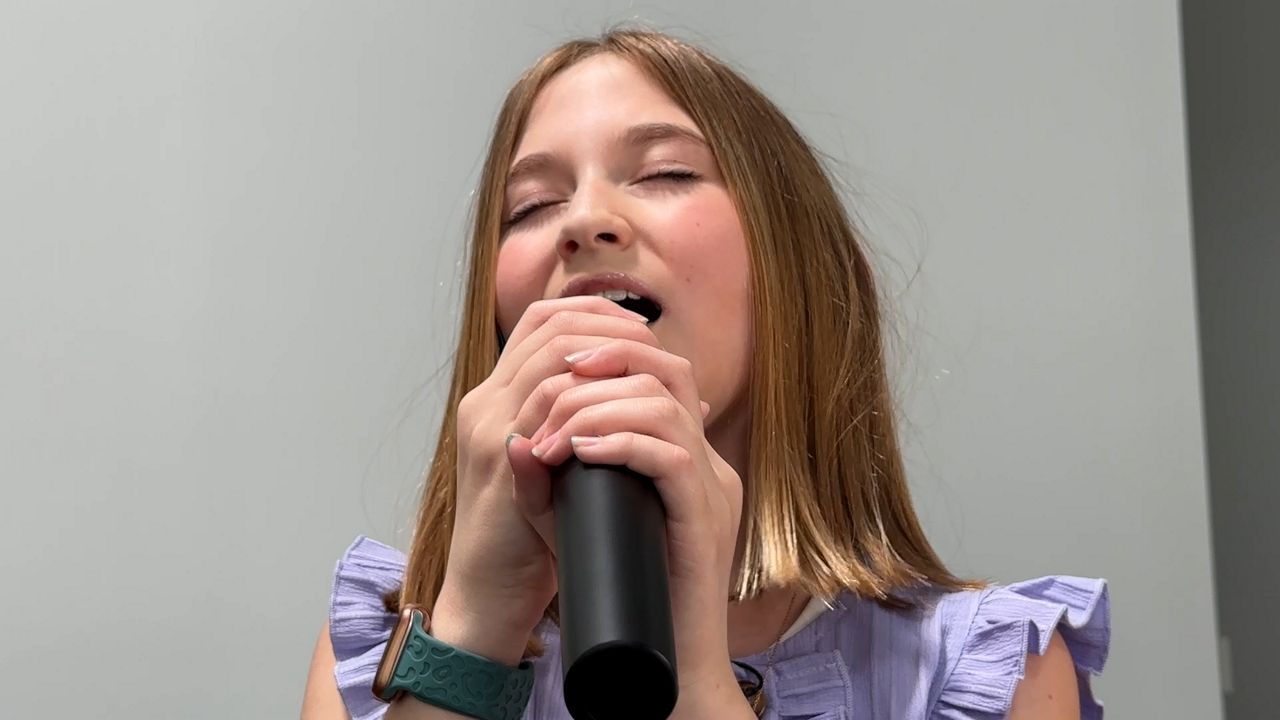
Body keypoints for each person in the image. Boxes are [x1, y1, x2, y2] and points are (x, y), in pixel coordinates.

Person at [301, 27, 1110, 720]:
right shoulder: (385, 645)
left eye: (664, 174)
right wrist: (471, 638)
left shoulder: (996, 673)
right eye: (531, 207)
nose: (583, 222)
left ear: (803, 278)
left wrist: (693, 673)